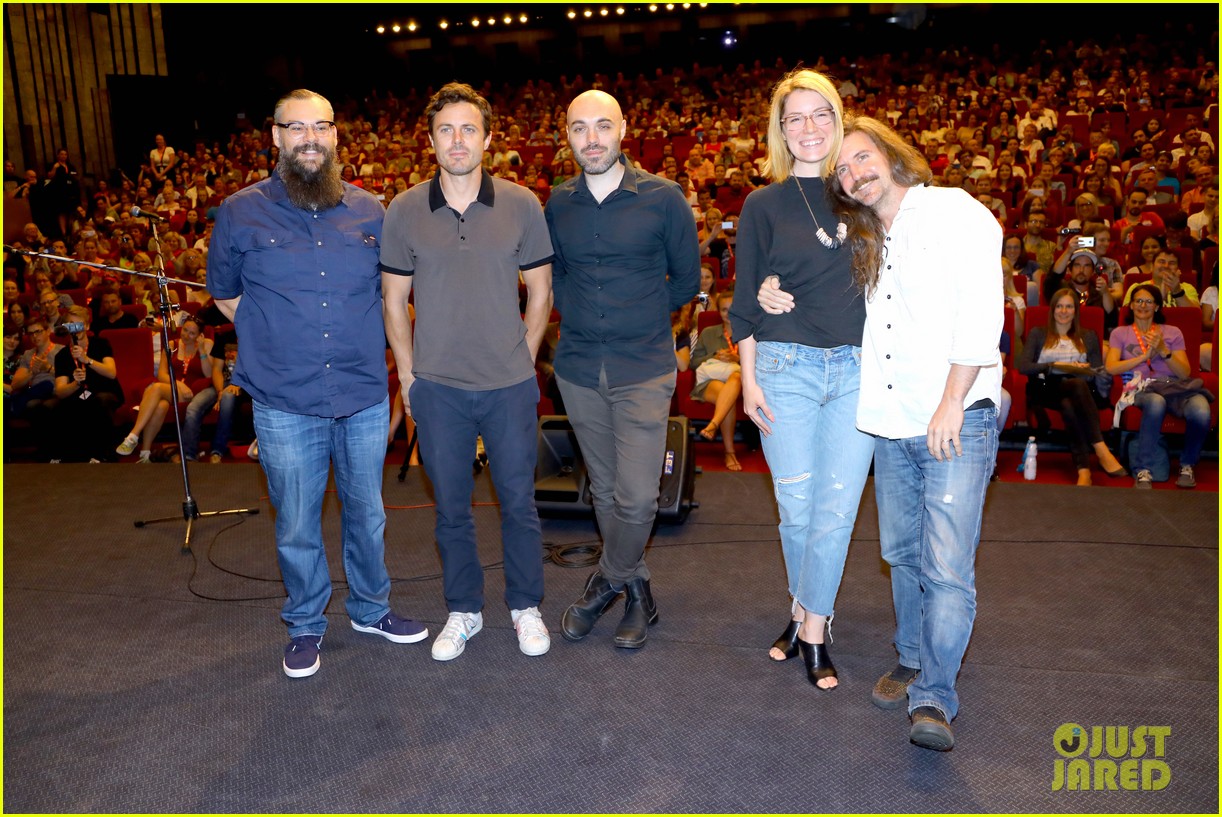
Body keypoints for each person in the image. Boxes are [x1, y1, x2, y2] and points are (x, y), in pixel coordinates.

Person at [763, 115, 1002, 749]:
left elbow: (982, 313)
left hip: (955, 416)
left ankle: (934, 698)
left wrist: (953, 401)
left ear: (892, 157)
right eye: (842, 169)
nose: (853, 173)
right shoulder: (864, 236)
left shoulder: (953, 211)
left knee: (946, 566)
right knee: (900, 555)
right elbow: (814, 287)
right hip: (892, 424)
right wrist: (768, 288)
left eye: (862, 158)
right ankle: (910, 655)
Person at [207, 89, 427, 679]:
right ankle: (305, 624)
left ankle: (371, 609)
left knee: (367, 512)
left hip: (360, 392)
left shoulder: (373, 209)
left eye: (322, 126)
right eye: (296, 126)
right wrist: (278, 336)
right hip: (284, 398)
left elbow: (393, 295)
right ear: (275, 136)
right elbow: (227, 296)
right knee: (297, 520)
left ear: (335, 136)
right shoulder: (239, 211)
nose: (310, 137)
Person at [381, 82, 556, 661]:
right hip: (439, 390)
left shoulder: (522, 204)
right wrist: (409, 378)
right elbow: (393, 302)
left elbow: (540, 292)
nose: (458, 140)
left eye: (468, 129)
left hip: (508, 386)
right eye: (446, 130)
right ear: (430, 140)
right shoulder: (404, 210)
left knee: (518, 503)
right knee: (451, 509)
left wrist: (523, 359)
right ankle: (464, 611)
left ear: (487, 138)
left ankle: (525, 605)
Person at [728, 68, 874, 692]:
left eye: (821, 114)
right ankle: (805, 611)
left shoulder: (867, 193)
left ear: (839, 121)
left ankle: (812, 626)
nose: (809, 127)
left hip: (857, 371)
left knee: (835, 511)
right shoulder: (763, 204)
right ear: (780, 132)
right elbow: (742, 302)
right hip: (784, 369)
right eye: (796, 118)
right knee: (796, 509)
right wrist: (749, 377)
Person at [544, 89, 700, 650]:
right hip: (580, 366)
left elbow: (686, 282)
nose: (592, 138)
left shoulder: (663, 198)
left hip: (643, 365)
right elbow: (555, 275)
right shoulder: (557, 203)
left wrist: (636, 318)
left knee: (637, 498)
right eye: (579, 128)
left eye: (602, 126)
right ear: (568, 136)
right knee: (605, 493)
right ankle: (637, 592)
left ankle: (604, 583)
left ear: (623, 130)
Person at [1106, 283, 1212, 490]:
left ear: (1156, 307)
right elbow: (1111, 367)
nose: (1143, 305)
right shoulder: (1121, 333)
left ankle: (1187, 465)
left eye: (1148, 301)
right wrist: (1144, 357)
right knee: (1155, 402)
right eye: (1138, 301)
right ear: (1131, 305)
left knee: (1201, 410)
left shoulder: (1172, 332)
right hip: (1142, 388)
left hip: (1175, 386)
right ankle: (1143, 468)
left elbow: (1185, 372)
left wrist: (1164, 351)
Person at [1017, 288, 1127, 485]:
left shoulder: (1088, 336)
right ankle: (1100, 449)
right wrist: (1053, 366)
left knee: (1070, 401)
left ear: (1076, 310)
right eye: (1059, 306)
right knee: (1074, 386)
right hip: (1045, 387)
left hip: (1079, 390)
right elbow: (1024, 367)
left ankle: (1084, 470)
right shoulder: (1038, 333)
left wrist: (1083, 369)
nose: (1064, 311)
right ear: (1052, 309)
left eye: (1069, 306)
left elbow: (1096, 370)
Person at [49, 306, 124, 462]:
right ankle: (69, 455)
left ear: (87, 326)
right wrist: (75, 384)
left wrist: (86, 360)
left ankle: (104, 454)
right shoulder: (62, 355)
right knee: (59, 405)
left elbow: (111, 372)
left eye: (79, 324)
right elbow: (60, 391)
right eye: (71, 325)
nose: (75, 329)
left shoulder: (101, 344)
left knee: (99, 400)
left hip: (105, 391)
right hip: (79, 393)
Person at [690, 288, 743, 472]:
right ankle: (730, 453)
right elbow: (693, 363)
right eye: (724, 310)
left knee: (735, 378)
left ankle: (713, 425)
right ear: (718, 311)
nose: (728, 314)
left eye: (733, 308)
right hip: (709, 382)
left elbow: (762, 363)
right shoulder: (708, 333)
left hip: (742, 383)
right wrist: (714, 355)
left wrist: (738, 359)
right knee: (725, 394)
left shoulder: (750, 333)